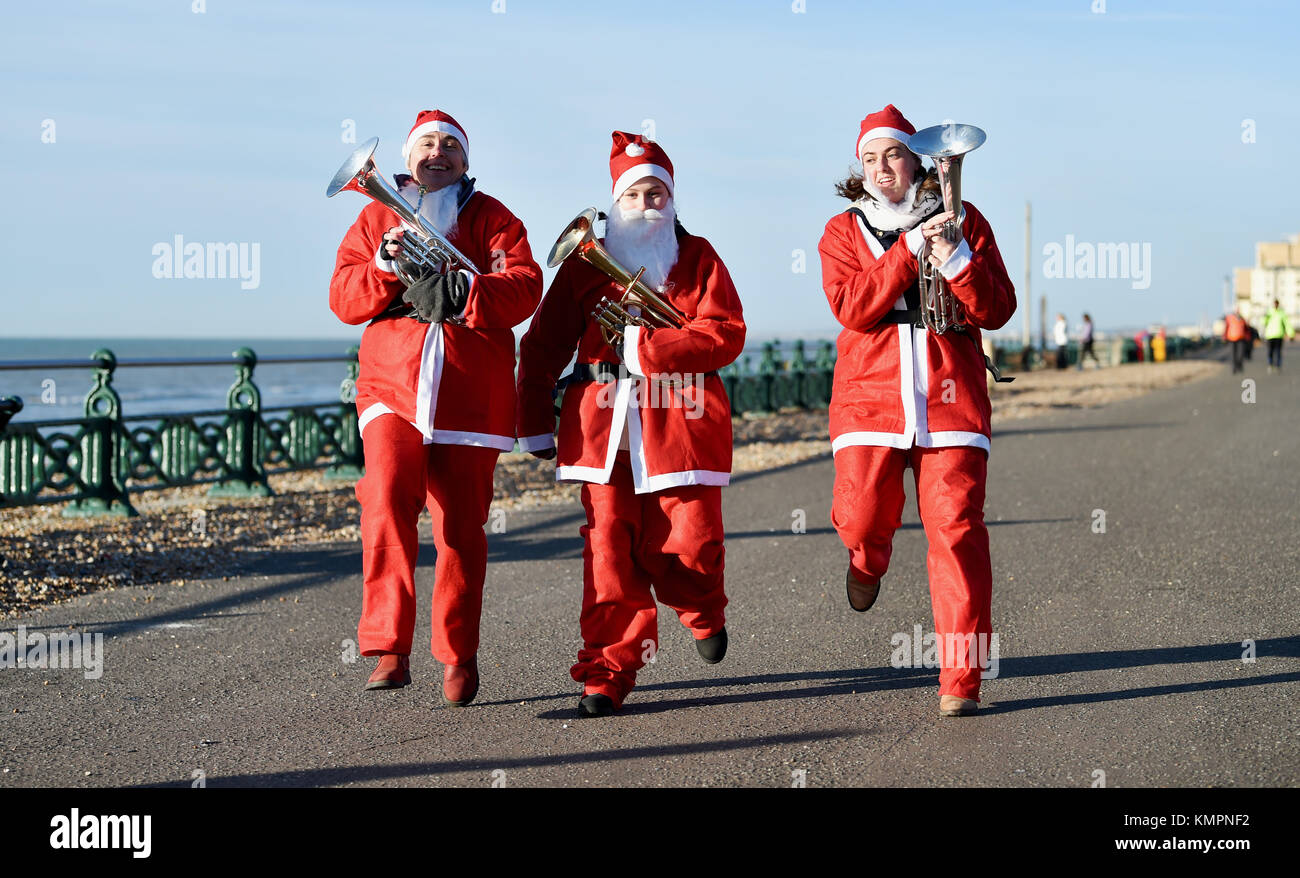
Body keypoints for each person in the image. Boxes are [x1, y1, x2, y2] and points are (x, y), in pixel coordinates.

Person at [516, 132, 746, 718]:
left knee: (692, 543)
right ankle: (606, 672)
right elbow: (542, 347)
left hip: (682, 422)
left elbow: (727, 334)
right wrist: (534, 417)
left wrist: (654, 350)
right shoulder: (583, 265)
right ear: (616, 202)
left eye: (658, 194)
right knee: (608, 552)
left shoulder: (699, 257)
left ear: (672, 201)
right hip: (601, 425)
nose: (648, 204)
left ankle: (703, 607)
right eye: (636, 194)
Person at [329, 109, 543, 705]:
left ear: (466, 160)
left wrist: (467, 290)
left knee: (460, 530)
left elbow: (526, 287)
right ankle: (387, 647)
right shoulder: (375, 216)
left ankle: (457, 654)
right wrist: (382, 267)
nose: (437, 152)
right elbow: (343, 299)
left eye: (451, 145)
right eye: (426, 142)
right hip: (390, 383)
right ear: (407, 156)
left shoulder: (497, 218)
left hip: (471, 390)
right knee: (385, 497)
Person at [819, 105, 1016, 717]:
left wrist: (955, 255)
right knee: (859, 516)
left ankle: (961, 681)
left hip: (952, 402)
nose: (883, 168)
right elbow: (852, 307)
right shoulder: (839, 230)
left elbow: (998, 308)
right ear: (861, 168)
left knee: (957, 535)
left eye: (894, 154)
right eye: (871, 158)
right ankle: (867, 559)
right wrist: (910, 248)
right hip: (867, 404)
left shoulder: (965, 219)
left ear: (917, 160)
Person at [1263, 299, 1293, 373]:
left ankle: (1278, 366)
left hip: (1279, 335)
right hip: (1270, 335)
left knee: (1278, 351)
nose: (1276, 305)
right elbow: (1263, 322)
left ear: (1278, 304)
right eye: (1274, 304)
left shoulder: (1281, 313)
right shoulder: (1269, 313)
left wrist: (1291, 334)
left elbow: (1287, 324)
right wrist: (1265, 317)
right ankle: (1270, 364)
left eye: (1277, 304)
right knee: (1270, 351)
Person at [1224, 306, 1249, 374]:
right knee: (1233, 354)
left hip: (1241, 338)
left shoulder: (1242, 319)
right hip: (1231, 338)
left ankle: (1239, 365)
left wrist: (1247, 337)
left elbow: (1246, 329)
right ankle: (1234, 368)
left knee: (1240, 354)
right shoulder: (1230, 318)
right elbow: (1226, 327)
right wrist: (1225, 337)